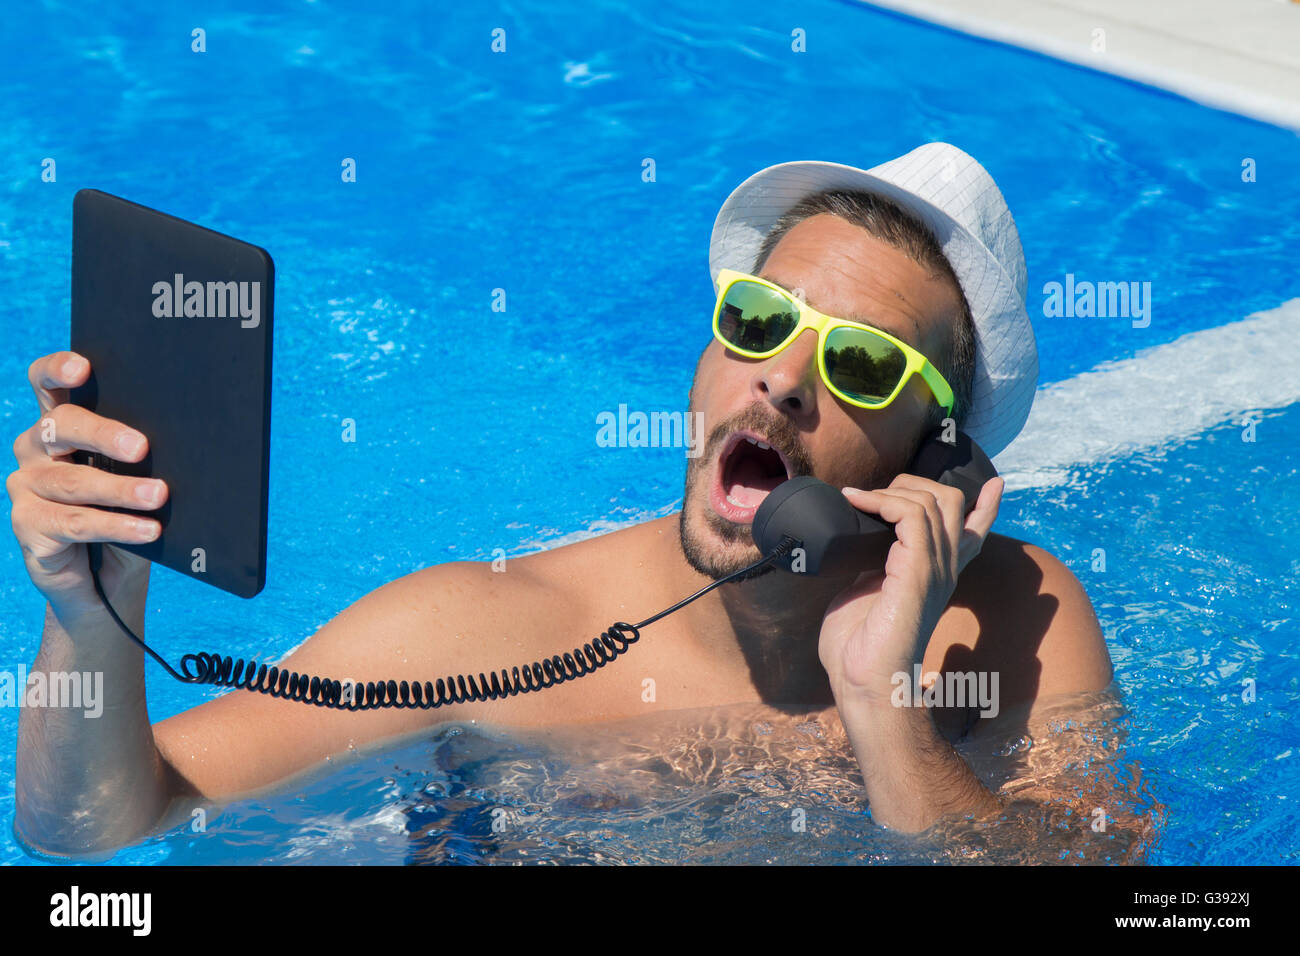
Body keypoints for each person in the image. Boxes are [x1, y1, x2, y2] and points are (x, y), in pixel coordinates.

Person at [8, 143, 1113, 857]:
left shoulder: (1008, 628)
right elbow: (91, 826)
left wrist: (885, 708)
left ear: (940, 455)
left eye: (861, 366)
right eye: (759, 320)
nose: (780, 377)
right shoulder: (486, 628)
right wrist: (89, 612)